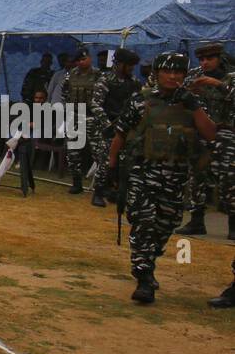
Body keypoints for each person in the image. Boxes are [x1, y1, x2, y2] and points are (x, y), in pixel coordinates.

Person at [107, 51, 218, 303]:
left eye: (178, 72)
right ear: (156, 74)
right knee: (144, 223)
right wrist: (111, 168)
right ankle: (144, 277)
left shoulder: (192, 104)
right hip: (143, 173)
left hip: (176, 176)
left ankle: (149, 262)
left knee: (165, 225)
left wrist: (194, 106)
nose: (172, 76)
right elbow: (120, 136)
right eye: (167, 71)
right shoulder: (140, 101)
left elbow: (211, 134)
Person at [176, 41, 235, 238]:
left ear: (219, 58)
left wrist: (219, 85)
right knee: (196, 177)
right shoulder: (194, 75)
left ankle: (233, 225)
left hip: (226, 134)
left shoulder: (231, 77)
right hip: (199, 132)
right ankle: (196, 221)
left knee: (228, 178)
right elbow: (180, 97)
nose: (205, 63)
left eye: (210, 58)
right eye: (201, 59)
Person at [90, 48, 140, 207]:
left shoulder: (133, 82)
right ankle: (98, 192)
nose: (132, 68)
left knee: (123, 161)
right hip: (107, 127)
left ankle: (114, 190)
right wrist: (107, 124)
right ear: (118, 64)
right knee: (105, 161)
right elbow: (96, 105)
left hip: (125, 128)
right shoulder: (105, 80)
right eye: (129, 65)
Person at [63, 45, 108, 195]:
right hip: (75, 115)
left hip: (91, 117)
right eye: (78, 60)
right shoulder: (71, 75)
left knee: (98, 153)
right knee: (72, 152)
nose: (81, 63)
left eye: (83, 59)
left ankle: (102, 187)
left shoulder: (98, 75)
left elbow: (104, 97)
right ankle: (77, 183)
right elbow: (65, 92)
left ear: (90, 58)